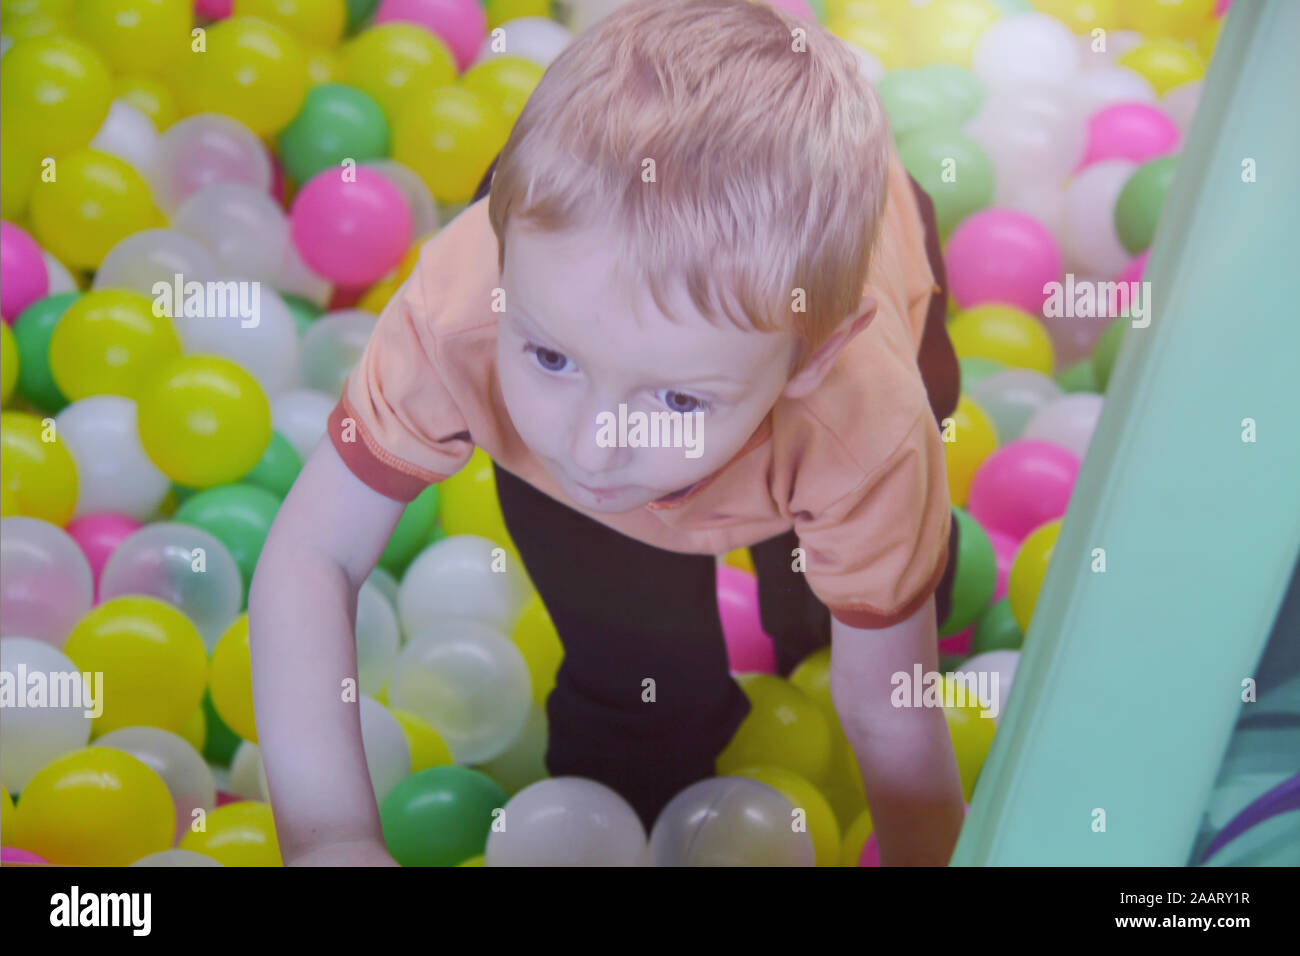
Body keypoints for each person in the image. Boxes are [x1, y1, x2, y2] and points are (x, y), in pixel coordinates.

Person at [250, 0, 965, 867]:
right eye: (551, 356)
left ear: (810, 362)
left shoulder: (864, 423)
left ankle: (815, 605)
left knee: (865, 600)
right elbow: (310, 558)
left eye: (678, 401)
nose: (594, 447)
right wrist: (331, 840)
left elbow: (890, 712)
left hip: (848, 370)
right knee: (638, 707)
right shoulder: (463, 314)